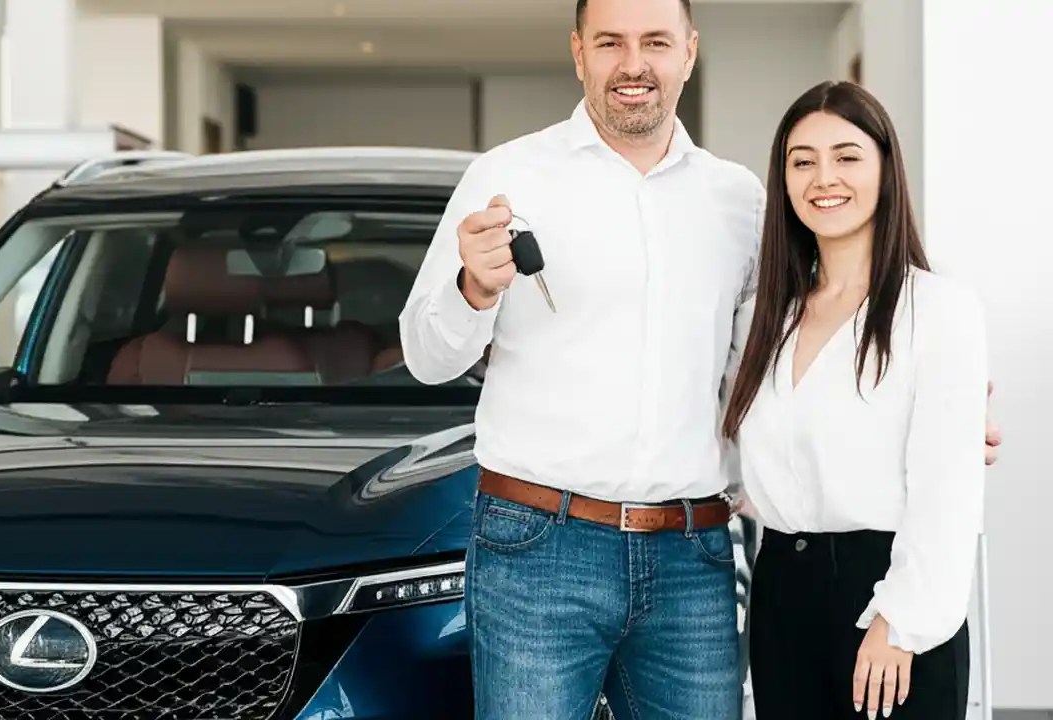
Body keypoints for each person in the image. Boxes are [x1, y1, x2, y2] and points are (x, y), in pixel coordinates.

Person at [399, 0, 1002, 717]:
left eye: (655, 41)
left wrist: (934, 420)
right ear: (578, 52)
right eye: (610, 42)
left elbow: (759, 374)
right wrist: (473, 288)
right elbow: (426, 357)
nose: (633, 63)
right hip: (540, 550)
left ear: (688, 52)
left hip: (692, 558)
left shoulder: (738, 200)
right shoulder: (507, 179)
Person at [722, 80, 986, 720]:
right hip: (782, 590)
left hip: (890, 593)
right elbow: (728, 455)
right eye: (802, 160)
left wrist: (901, 620)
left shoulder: (936, 309)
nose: (823, 178)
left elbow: (945, 491)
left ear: (885, 170)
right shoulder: (762, 318)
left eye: (847, 156)